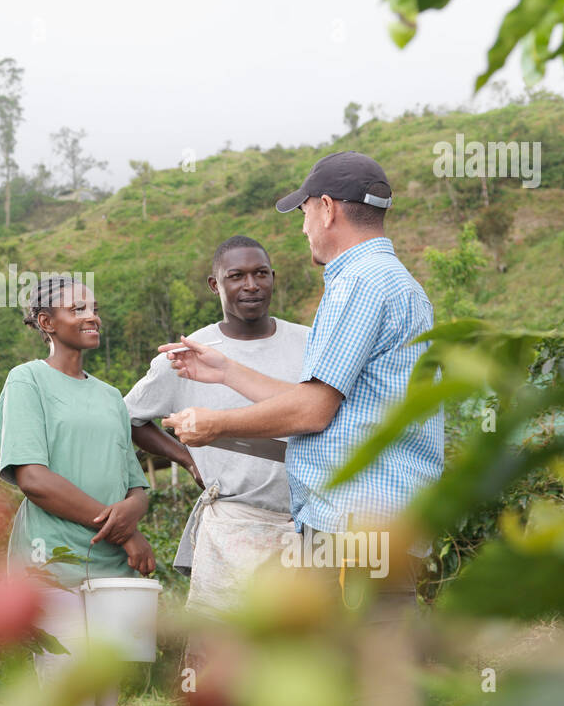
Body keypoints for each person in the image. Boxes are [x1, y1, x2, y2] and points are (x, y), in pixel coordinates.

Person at [161, 152, 444, 613]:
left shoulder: (359, 283)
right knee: (364, 664)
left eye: (305, 211)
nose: (304, 226)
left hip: (354, 525)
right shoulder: (389, 280)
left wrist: (215, 425)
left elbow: (312, 412)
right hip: (371, 524)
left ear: (327, 208)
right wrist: (226, 370)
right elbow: (324, 398)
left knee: (358, 673)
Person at [0, 274, 156, 706]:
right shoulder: (27, 381)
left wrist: (132, 515)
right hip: (53, 569)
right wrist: (125, 533)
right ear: (46, 323)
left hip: (111, 578)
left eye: (94, 307)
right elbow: (34, 479)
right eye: (77, 309)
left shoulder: (109, 395)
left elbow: (137, 485)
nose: (92, 316)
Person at [124, 236, 309, 614]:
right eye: (237, 276)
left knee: (298, 657)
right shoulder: (189, 356)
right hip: (232, 526)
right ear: (215, 284)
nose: (251, 285)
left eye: (260, 274)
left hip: (308, 528)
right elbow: (128, 419)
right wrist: (186, 458)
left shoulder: (310, 343)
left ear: (273, 277)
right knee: (220, 654)